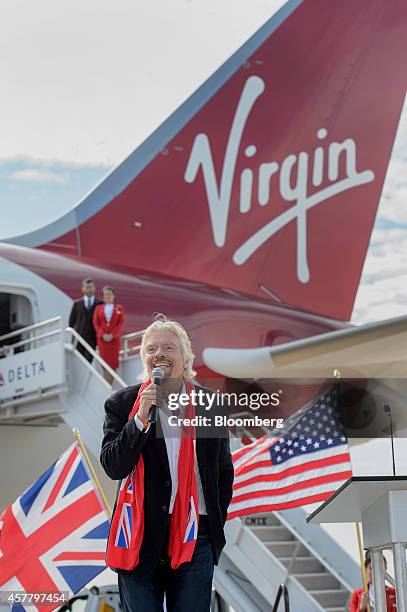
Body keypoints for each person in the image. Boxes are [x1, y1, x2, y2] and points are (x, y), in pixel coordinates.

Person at [100, 316, 234, 612]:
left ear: (185, 359)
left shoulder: (209, 406)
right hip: (139, 535)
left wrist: (212, 526)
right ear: (144, 360)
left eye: (168, 348)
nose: (158, 354)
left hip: (195, 539)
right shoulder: (122, 405)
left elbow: (223, 474)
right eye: (151, 349)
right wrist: (139, 420)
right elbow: (113, 466)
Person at [93, 286, 125, 385]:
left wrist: (113, 335)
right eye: (105, 294)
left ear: (113, 296)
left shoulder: (119, 308)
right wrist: (102, 334)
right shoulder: (98, 308)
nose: (107, 296)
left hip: (114, 341)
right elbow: (96, 323)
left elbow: (121, 323)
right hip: (102, 341)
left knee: (113, 363)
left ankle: (109, 385)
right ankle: (106, 386)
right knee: (104, 363)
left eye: (109, 294)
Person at [69, 278, 103, 362]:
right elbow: (71, 322)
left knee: (89, 361)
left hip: (92, 339)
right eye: (87, 287)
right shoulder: (77, 304)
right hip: (78, 338)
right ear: (83, 289)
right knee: (78, 361)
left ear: (94, 288)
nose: (89, 289)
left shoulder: (100, 304)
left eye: (91, 287)